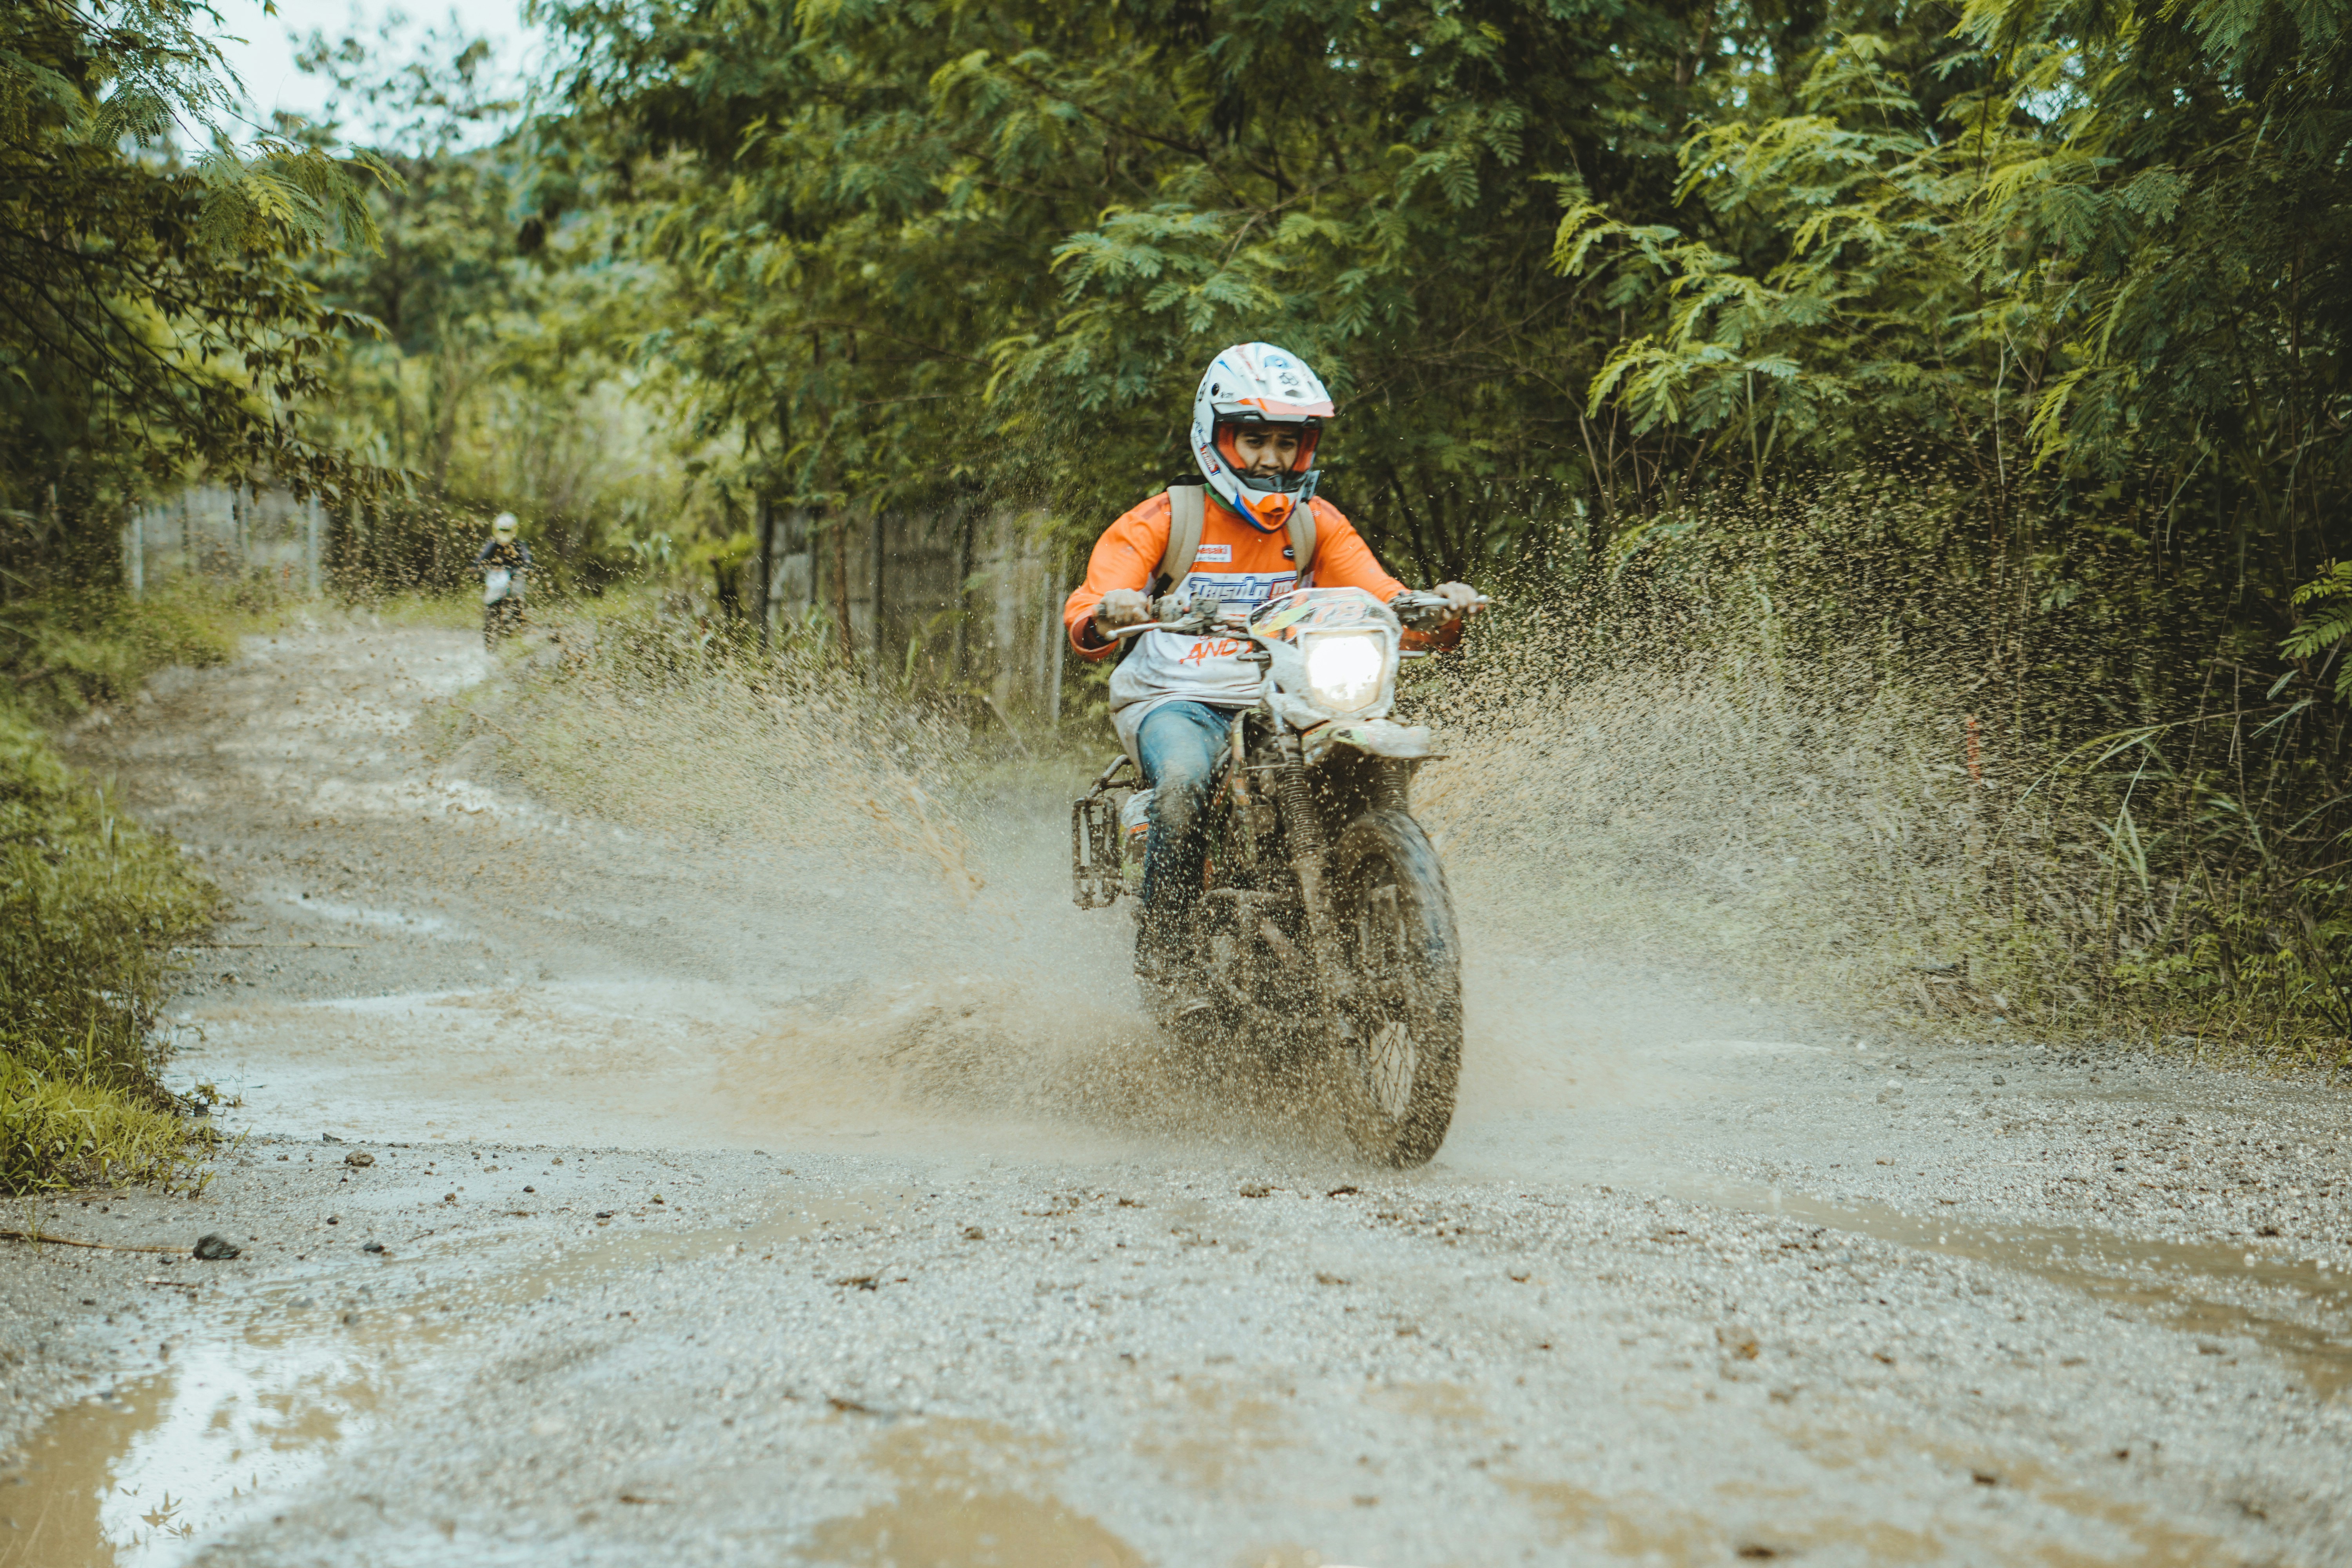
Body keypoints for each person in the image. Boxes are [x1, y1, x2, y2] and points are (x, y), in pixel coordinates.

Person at [1062, 342, 1480, 1018]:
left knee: (1361, 762)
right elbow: (1088, 610)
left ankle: (1370, 909)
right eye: (1253, 438)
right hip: (1180, 701)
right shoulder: (1165, 520)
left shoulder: (1318, 525)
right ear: (1216, 437)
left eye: (1289, 442)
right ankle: (1168, 962)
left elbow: (1384, 599)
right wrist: (1115, 608)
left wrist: (1439, 608)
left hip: (1288, 696)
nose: (1272, 458)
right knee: (1181, 787)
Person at [475, 512, 532, 641]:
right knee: (488, 599)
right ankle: (490, 632)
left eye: (507, 531)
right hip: (496, 578)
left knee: (518, 597)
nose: (504, 534)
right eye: (502, 531)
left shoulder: (520, 545)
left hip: (514, 577)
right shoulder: (492, 544)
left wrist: (525, 569)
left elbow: (527, 561)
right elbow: (481, 558)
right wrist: (476, 566)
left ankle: (522, 623)